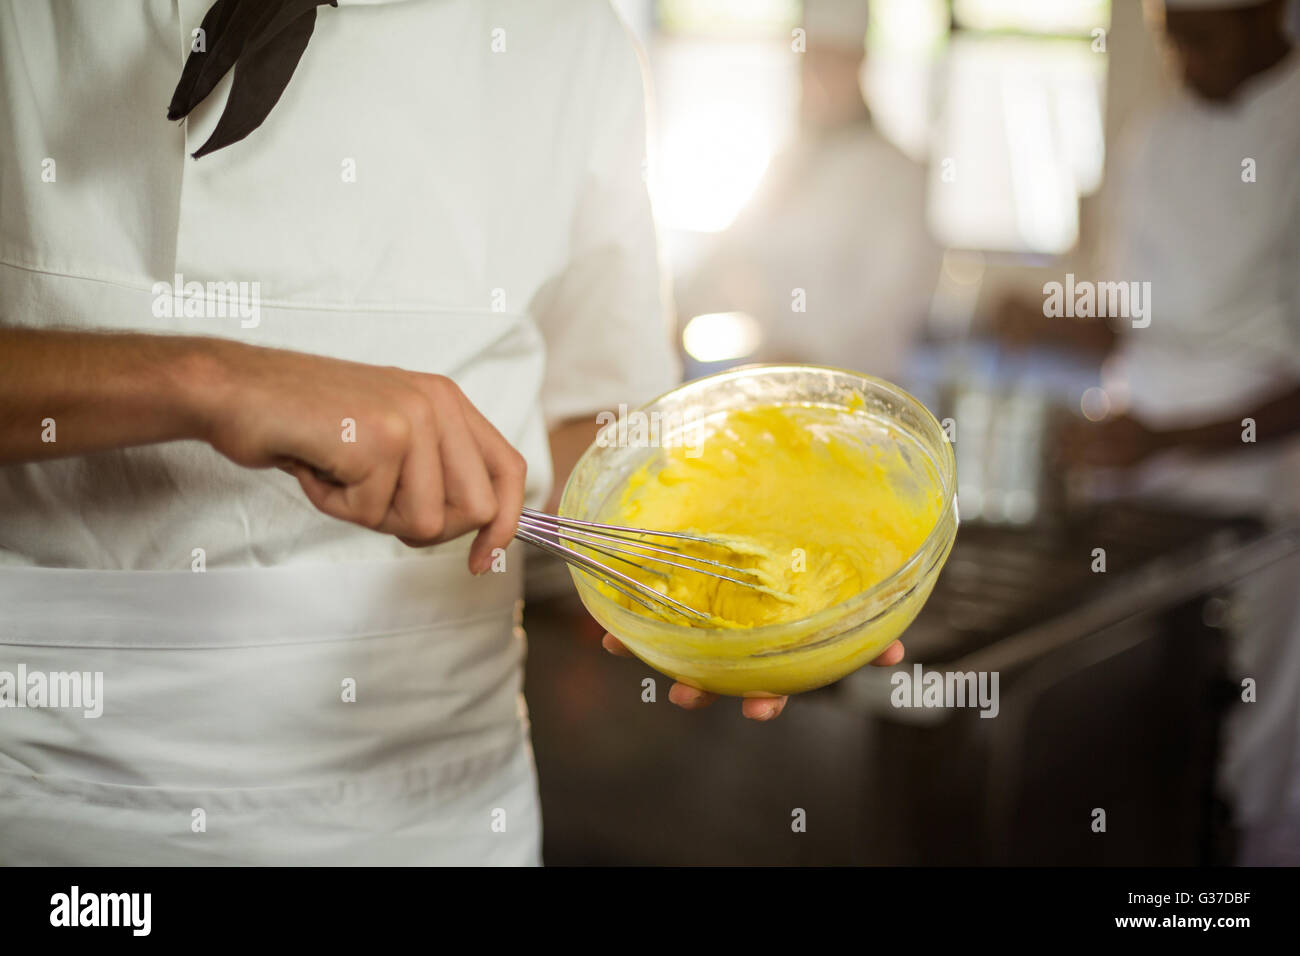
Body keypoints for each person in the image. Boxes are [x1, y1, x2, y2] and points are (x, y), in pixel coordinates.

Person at [0, 0, 852, 866]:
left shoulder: (574, 40)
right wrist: (208, 383)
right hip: (44, 782)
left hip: (438, 806)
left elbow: (594, 426)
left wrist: (707, 583)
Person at [1002, 0, 1300, 863]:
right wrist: (1047, 317)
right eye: (1172, 34)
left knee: (1256, 727)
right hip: (1138, 466)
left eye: (1204, 35)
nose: (1184, 57)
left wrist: (1170, 437)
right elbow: (1134, 317)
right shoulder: (1154, 137)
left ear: (1273, 16)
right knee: (1137, 708)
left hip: (1264, 479)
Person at [673, 0, 940, 377]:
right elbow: (727, 254)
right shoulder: (787, 160)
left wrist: (805, 353)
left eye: (829, 61)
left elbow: (889, 302)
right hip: (774, 387)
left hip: (856, 399)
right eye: (808, 61)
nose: (814, 76)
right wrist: (673, 309)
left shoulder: (899, 175)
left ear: (860, 62)